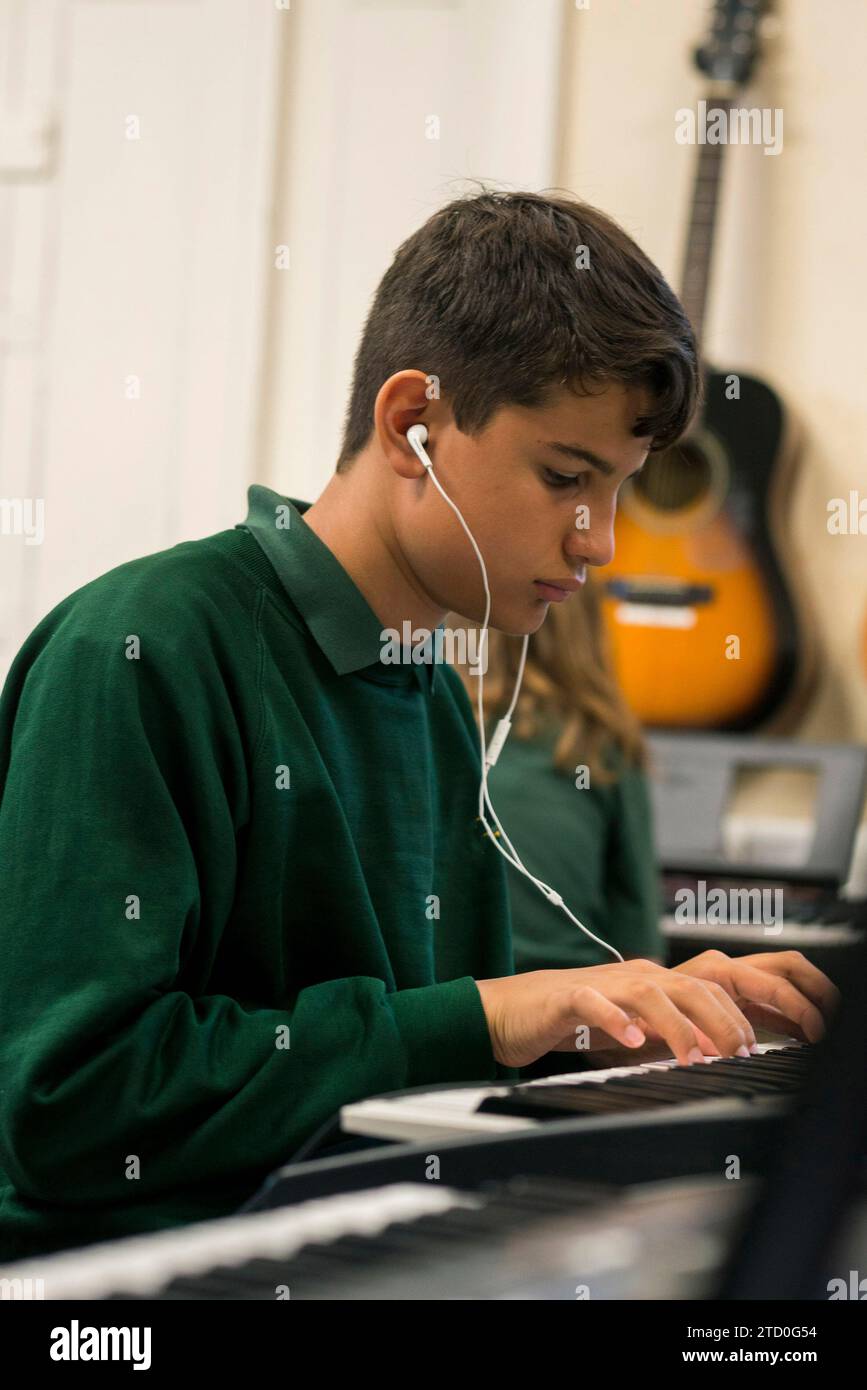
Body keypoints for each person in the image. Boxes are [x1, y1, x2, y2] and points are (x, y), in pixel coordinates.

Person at [0, 190, 837, 1261]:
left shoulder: (433, 688)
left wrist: (629, 1029)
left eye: (620, 490)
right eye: (567, 478)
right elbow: (67, 1106)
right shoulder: (140, 647)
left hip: (357, 1240)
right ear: (413, 425)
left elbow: (423, 1074)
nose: (602, 544)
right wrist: (492, 1014)